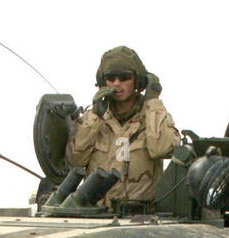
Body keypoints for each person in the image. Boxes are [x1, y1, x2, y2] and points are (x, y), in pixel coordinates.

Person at [66, 46, 180, 205]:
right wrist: (94, 118)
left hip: (140, 220)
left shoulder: (153, 118)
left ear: (137, 80)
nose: (117, 84)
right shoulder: (92, 120)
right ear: (102, 81)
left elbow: (163, 149)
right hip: (96, 215)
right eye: (111, 78)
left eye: (124, 77)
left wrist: (152, 102)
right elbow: (75, 161)